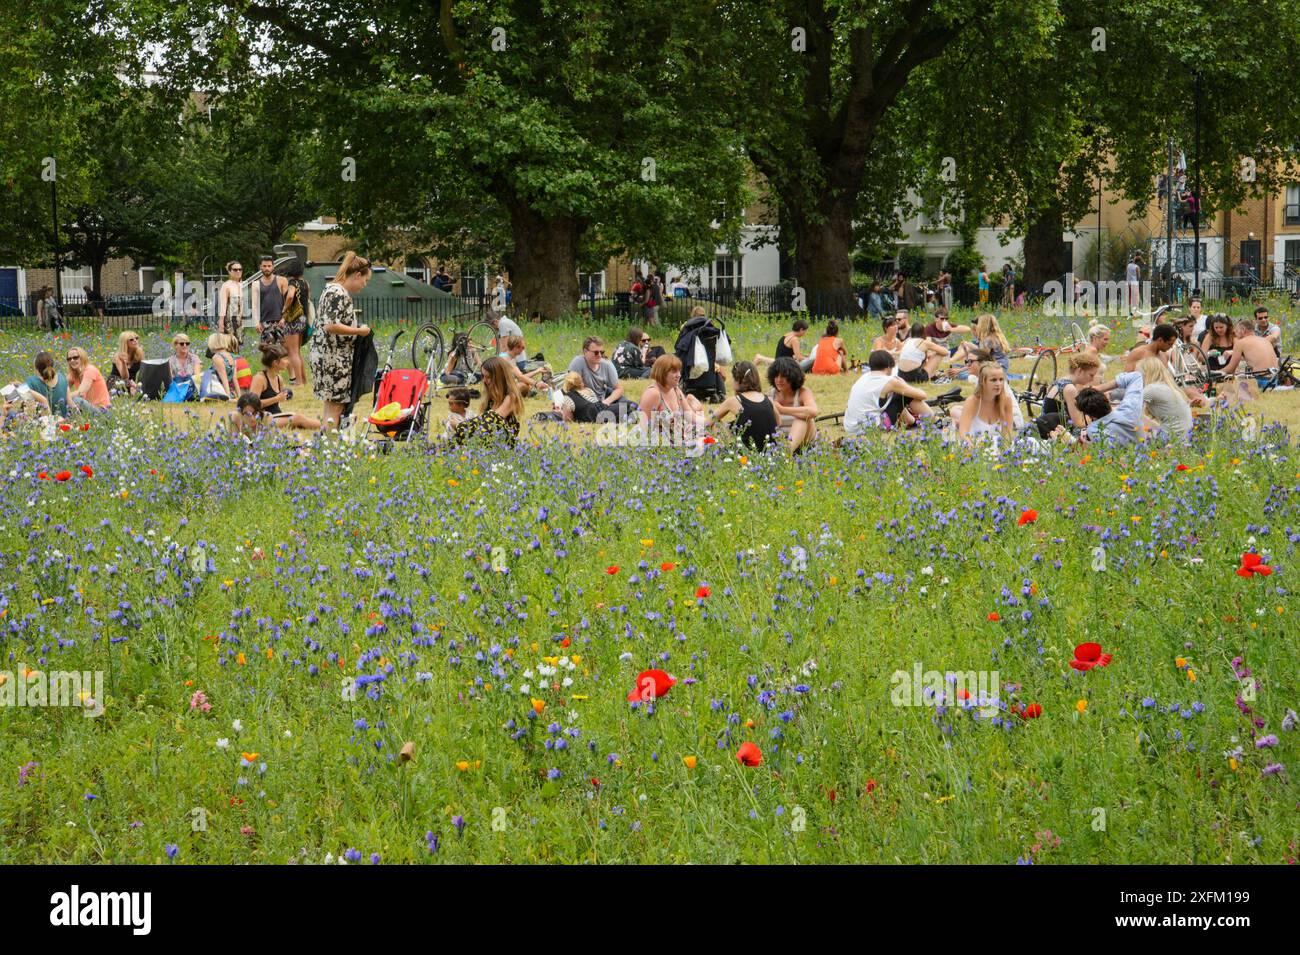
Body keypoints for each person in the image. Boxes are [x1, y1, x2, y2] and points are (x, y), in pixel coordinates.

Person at [310, 252, 373, 429]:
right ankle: (331, 446)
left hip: (327, 356)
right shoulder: (338, 293)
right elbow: (330, 325)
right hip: (334, 359)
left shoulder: (330, 289)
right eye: (365, 280)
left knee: (331, 406)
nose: (364, 285)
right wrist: (358, 331)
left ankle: (326, 444)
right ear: (357, 275)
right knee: (336, 407)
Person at [844, 350, 933, 435]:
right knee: (905, 395)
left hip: (851, 427)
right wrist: (903, 384)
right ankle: (935, 421)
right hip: (873, 429)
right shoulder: (889, 381)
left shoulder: (864, 377)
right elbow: (922, 395)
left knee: (897, 396)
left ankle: (912, 422)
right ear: (889, 367)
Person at [708, 361, 779, 452]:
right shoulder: (768, 400)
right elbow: (778, 423)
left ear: (737, 380)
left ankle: (719, 452)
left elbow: (707, 423)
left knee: (716, 423)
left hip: (745, 457)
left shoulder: (734, 401)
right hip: (771, 453)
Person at [249, 341, 320, 430]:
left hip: (275, 416)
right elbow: (251, 405)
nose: (288, 362)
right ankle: (327, 426)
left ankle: (325, 425)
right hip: (262, 420)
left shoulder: (279, 378)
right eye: (285, 359)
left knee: (298, 420)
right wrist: (276, 399)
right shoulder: (260, 379)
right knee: (299, 418)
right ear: (275, 362)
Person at [452, 355, 522, 445]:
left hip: (503, 444)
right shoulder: (491, 398)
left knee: (490, 415)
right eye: (483, 376)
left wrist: (461, 425)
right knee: (457, 438)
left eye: (488, 377)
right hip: (487, 439)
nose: (484, 380)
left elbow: (493, 420)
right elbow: (481, 424)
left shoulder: (511, 396)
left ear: (499, 378)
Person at [639, 354, 707, 445]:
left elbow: (692, 417)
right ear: (662, 373)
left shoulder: (676, 390)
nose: (678, 375)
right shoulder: (653, 394)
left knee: (710, 434)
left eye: (679, 371)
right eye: (674, 372)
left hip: (681, 440)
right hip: (663, 447)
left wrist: (713, 420)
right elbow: (642, 428)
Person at [566, 336, 638, 420]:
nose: (600, 355)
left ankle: (626, 416)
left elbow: (619, 389)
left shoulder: (607, 365)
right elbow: (569, 389)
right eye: (596, 352)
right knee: (630, 406)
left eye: (602, 352)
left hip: (602, 402)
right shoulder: (577, 363)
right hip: (589, 407)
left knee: (626, 403)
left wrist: (607, 402)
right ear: (585, 352)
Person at [1033, 353, 1102, 437]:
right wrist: (1100, 415)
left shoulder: (1060, 381)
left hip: (1048, 428)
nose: (1092, 379)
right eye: (1091, 375)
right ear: (1079, 370)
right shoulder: (1069, 388)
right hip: (1057, 433)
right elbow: (1079, 423)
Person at [1078, 371, 1145, 446]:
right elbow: (1136, 376)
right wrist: (1099, 388)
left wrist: (1088, 443)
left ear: (1090, 415)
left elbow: (1106, 453)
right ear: (1106, 399)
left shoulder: (1094, 429)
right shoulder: (1129, 408)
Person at [273, 256, 311, 386]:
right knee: (297, 351)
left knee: (292, 352)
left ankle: (299, 382)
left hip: (293, 319)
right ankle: (304, 380)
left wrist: (284, 308)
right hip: (303, 318)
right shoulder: (306, 283)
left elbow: (290, 296)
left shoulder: (293, 283)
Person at [767, 357, 818, 453]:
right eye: (776, 376)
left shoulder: (803, 392)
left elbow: (813, 411)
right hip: (781, 439)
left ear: (792, 377)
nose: (778, 380)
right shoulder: (771, 395)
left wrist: (782, 409)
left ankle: (786, 453)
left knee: (802, 417)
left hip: (805, 441)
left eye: (783, 376)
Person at [956, 363, 1015, 446]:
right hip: (973, 447)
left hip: (998, 449)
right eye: (993, 380)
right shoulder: (973, 401)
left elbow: (1007, 434)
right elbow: (963, 432)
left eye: (1001, 379)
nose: (998, 384)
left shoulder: (1006, 400)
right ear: (983, 382)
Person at [1137, 355, 1192, 441]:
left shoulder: (1151, 389)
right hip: (1186, 437)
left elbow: (1131, 408)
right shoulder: (1168, 387)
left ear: (1146, 374)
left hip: (1171, 438)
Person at [1218, 320, 1281, 395]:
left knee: (1224, 388)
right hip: (1274, 380)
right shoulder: (1264, 340)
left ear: (1243, 330)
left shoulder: (1240, 343)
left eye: (1236, 331)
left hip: (1260, 381)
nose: (1235, 334)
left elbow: (1231, 369)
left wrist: (1216, 372)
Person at [253, 254, 289, 344]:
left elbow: (288, 301)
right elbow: (254, 305)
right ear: (260, 267)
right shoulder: (255, 284)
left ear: (273, 267)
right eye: (264, 266)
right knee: (268, 353)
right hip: (265, 322)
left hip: (280, 321)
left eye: (269, 266)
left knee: (283, 352)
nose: (267, 268)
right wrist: (256, 322)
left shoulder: (282, 280)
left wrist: (284, 319)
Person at [65, 347, 110, 414]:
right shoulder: (73, 373)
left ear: (82, 358)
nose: (72, 360)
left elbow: (80, 393)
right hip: (87, 409)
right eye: (69, 359)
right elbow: (62, 388)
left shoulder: (90, 370)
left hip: (102, 410)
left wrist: (65, 397)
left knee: (76, 400)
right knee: (62, 402)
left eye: (75, 357)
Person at [23, 351, 69, 416]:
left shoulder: (31, 381)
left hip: (44, 423)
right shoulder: (62, 378)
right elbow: (70, 403)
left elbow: (28, 409)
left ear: (36, 368)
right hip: (63, 422)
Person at [217, 261, 245, 349]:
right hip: (229, 320)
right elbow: (223, 305)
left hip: (240, 320)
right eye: (235, 269)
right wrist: (221, 323)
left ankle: (236, 362)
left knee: (238, 345)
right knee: (229, 345)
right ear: (230, 271)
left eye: (240, 269)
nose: (238, 271)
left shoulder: (242, 284)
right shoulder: (226, 285)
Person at [106, 331, 143, 397]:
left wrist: (136, 385)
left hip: (131, 383)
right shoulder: (118, 356)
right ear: (125, 343)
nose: (135, 340)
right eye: (131, 339)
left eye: (136, 338)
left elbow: (143, 371)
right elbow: (125, 377)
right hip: (116, 382)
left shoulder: (139, 353)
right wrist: (124, 363)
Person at [202, 333, 237, 399]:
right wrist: (239, 395)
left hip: (218, 391)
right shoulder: (231, 356)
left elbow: (224, 379)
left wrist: (228, 397)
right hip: (230, 391)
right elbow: (234, 378)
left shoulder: (217, 357)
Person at [168, 333, 202, 400]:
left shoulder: (194, 358)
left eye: (187, 343)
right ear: (175, 345)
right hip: (177, 387)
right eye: (182, 343)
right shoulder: (170, 360)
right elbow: (170, 378)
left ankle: (187, 396)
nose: (185, 345)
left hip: (191, 386)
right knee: (178, 378)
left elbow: (197, 376)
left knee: (190, 377)